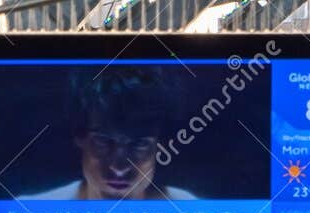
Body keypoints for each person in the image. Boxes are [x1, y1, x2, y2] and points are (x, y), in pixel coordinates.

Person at [30, 68, 199, 201]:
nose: (119, 168)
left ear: (160, 143)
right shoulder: (28, 212)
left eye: (139, 144)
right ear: (79, 135)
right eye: (104, 142)